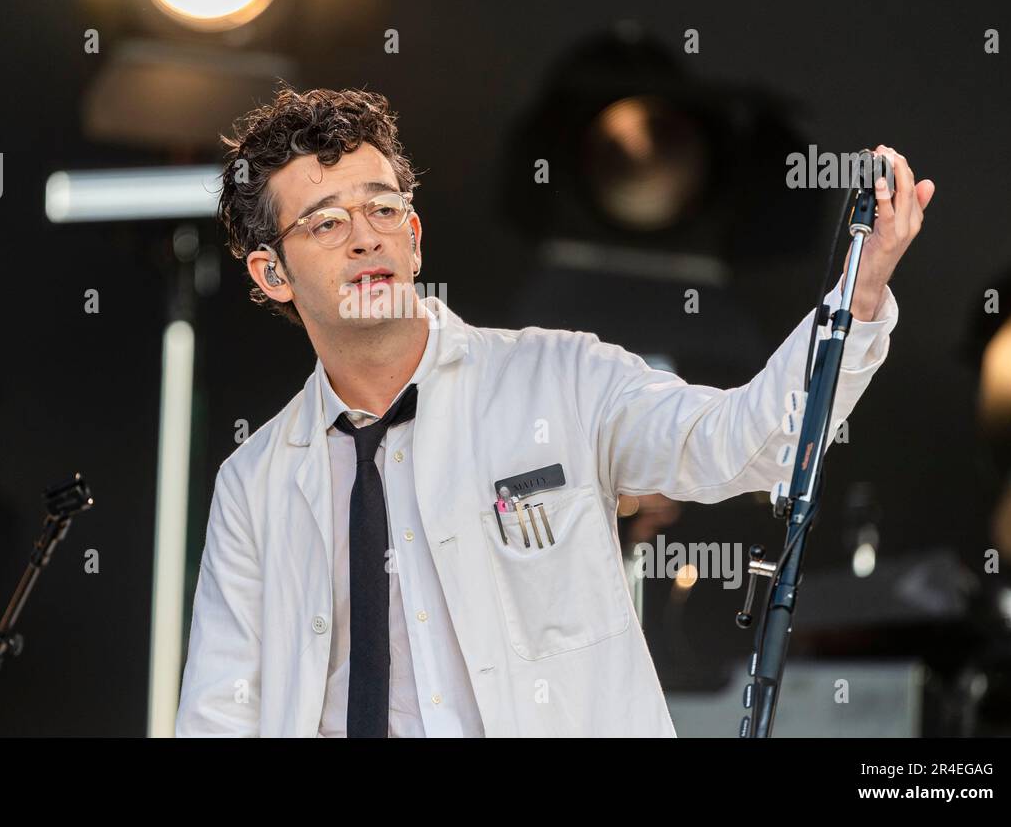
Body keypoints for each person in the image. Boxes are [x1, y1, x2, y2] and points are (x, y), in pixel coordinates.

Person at [174, 87, 936, 737]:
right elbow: (218, 709)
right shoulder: (255, 481)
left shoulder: (560, 376)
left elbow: (743, 445)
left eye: (382, 208)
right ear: (273, 273)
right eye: (327, 222)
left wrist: (856, 299)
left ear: (414, 236)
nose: (365, 235)